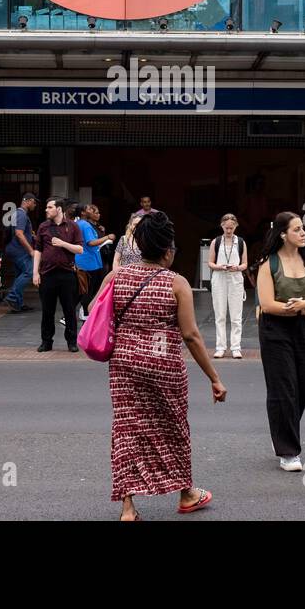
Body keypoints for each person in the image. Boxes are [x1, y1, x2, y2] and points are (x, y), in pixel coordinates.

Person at [107, 211, 226, 520]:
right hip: (164, 367)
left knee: (127, 430)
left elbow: (95, 311)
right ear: (167, 250)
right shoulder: (177, 283)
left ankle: (128, 508)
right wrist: (214, 377)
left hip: (124, 366)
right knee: (173, 428)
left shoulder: (116, 276)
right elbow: (190, 335)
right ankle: (186, 493)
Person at [256, 211, 305, 472]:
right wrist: (300, 308)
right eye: (297, 229)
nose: (303, 232)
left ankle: (282, 426)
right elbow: (267, 304)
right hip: (276, 330)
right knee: (283, 389)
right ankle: (288, 452)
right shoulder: (269, 263)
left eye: (303, 228)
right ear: (283, 234)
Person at [32, 197, 83, 352]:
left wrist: (63, 244)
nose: (46, 210)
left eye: (49, 207)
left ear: (59, 209)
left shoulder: (73, 226)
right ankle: (46, 341)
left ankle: (72, 342)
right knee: (47, 310)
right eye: (47, 207)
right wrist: (35, 273)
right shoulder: (43, 227)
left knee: (69, 310)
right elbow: (38, 250)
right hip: (47, 274)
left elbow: (80, 249)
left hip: (67, 274)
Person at [208, 213, 248, 359]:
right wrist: (220, 267)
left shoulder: (241, 242)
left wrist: (237, 268)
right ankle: (220, 347)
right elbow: (210, 263)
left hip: (235, 278)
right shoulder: (216, 242)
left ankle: (236, 347)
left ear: (236, 226)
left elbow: (245, 264)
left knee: (236, 315)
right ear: (222, 226)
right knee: (220, 314)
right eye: (226, 228)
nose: (229, 231)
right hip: (219, 277)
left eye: (231, 228)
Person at [74, 203, 113, 322]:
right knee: (89, 288)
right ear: (83, 213)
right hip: (89, 261)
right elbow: (91, 242)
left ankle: (83, 310)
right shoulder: (85, 225)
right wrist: (107, 238)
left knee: (85, 287)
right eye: (88, 209)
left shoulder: (79, 224)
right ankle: (84, 311)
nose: (91, 210)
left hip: (84, 260)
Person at [4, 192, 37, 313]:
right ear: (27, 201)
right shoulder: (21, 214)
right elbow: (19, 233)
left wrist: (32, 236)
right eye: (34, 202)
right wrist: (31, 250)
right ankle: (12, 297)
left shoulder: (17, 214)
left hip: (14, 249)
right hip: (19, 250)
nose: (35, 205)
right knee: (29, 272)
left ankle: (18, 303)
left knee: (19, 275)